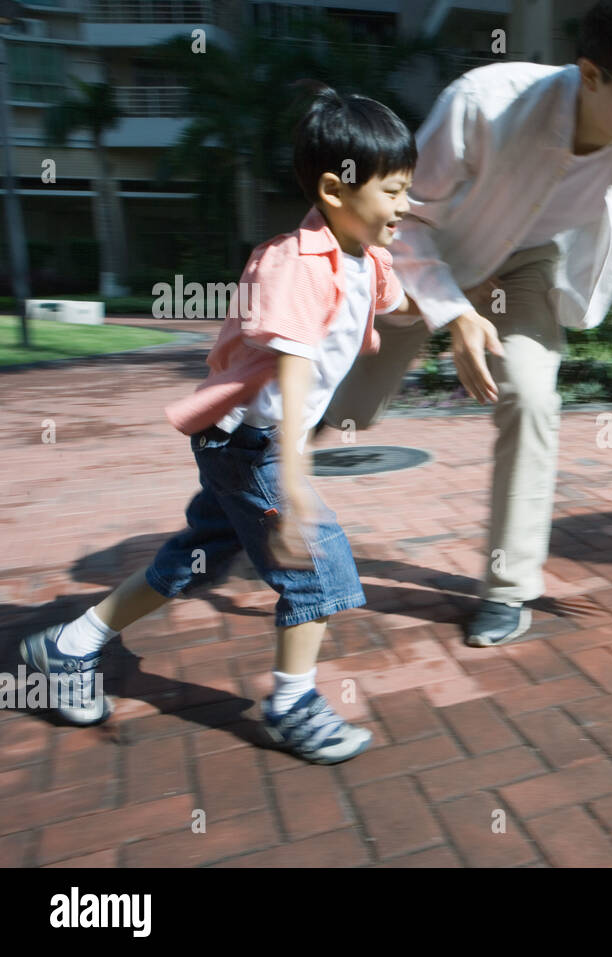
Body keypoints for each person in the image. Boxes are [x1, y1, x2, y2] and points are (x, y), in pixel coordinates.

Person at [328, 0, 612, 647]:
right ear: (590, 74)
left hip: (525, 269)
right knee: (343, 413)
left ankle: (508, 586)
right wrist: (452, 310)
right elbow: (407, 217)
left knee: (531, 397)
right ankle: (246, 496)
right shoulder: (485, 102)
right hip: (431, 256)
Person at [19, 88, 423, 765]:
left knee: (196, 557)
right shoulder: (292, 263)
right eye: (394, 191)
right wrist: (295, 489)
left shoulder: (366, 256)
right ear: (335, 187)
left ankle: (67, 646)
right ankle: (291, 705)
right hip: (249, 443)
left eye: (409, 190)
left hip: (246, 443)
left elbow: (405, 302)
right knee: (318, 568)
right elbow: (293, 374)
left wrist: (464, 317)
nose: (406, 206)